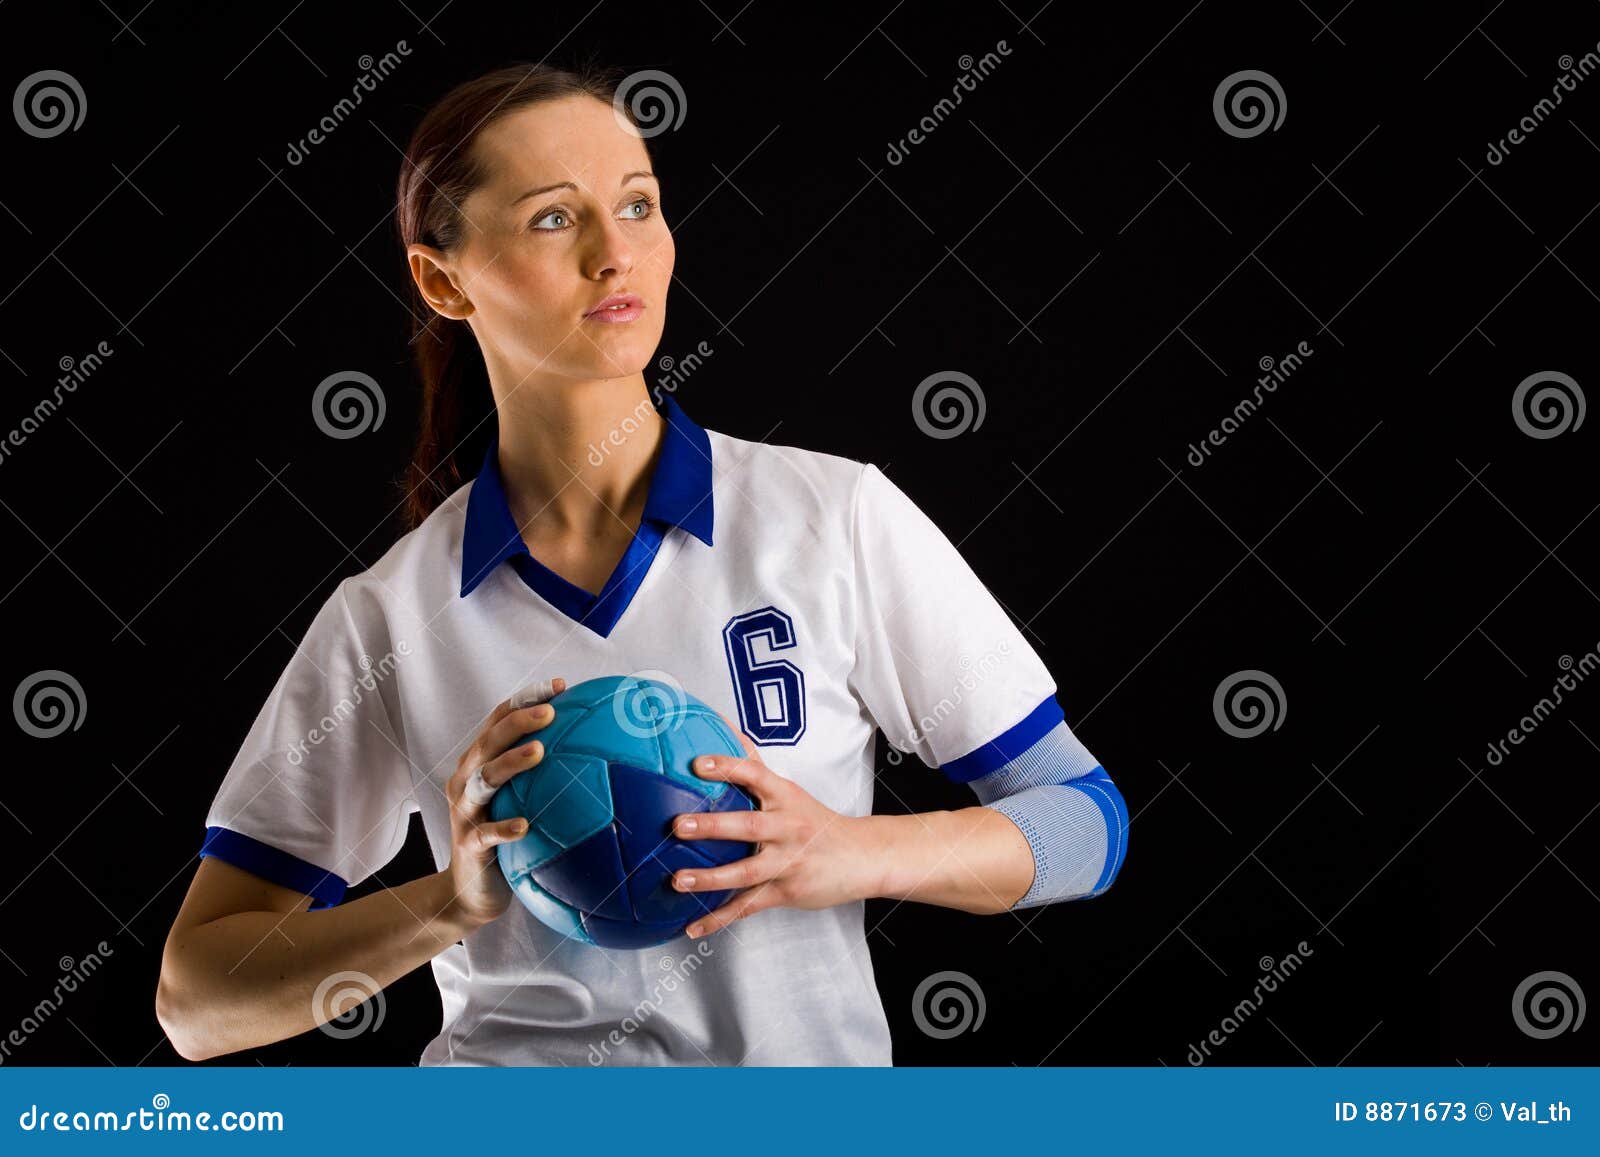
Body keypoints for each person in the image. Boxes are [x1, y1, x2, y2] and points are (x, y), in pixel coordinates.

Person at [155, 62, 1128, 1066]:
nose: (614, 253)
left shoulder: (832, 519)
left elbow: (1086, 827)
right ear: (442, 280)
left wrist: (851, 850)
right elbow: (197, 1001)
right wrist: (450, 899)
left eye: (637, 205)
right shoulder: (392, 614)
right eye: (550, 218)